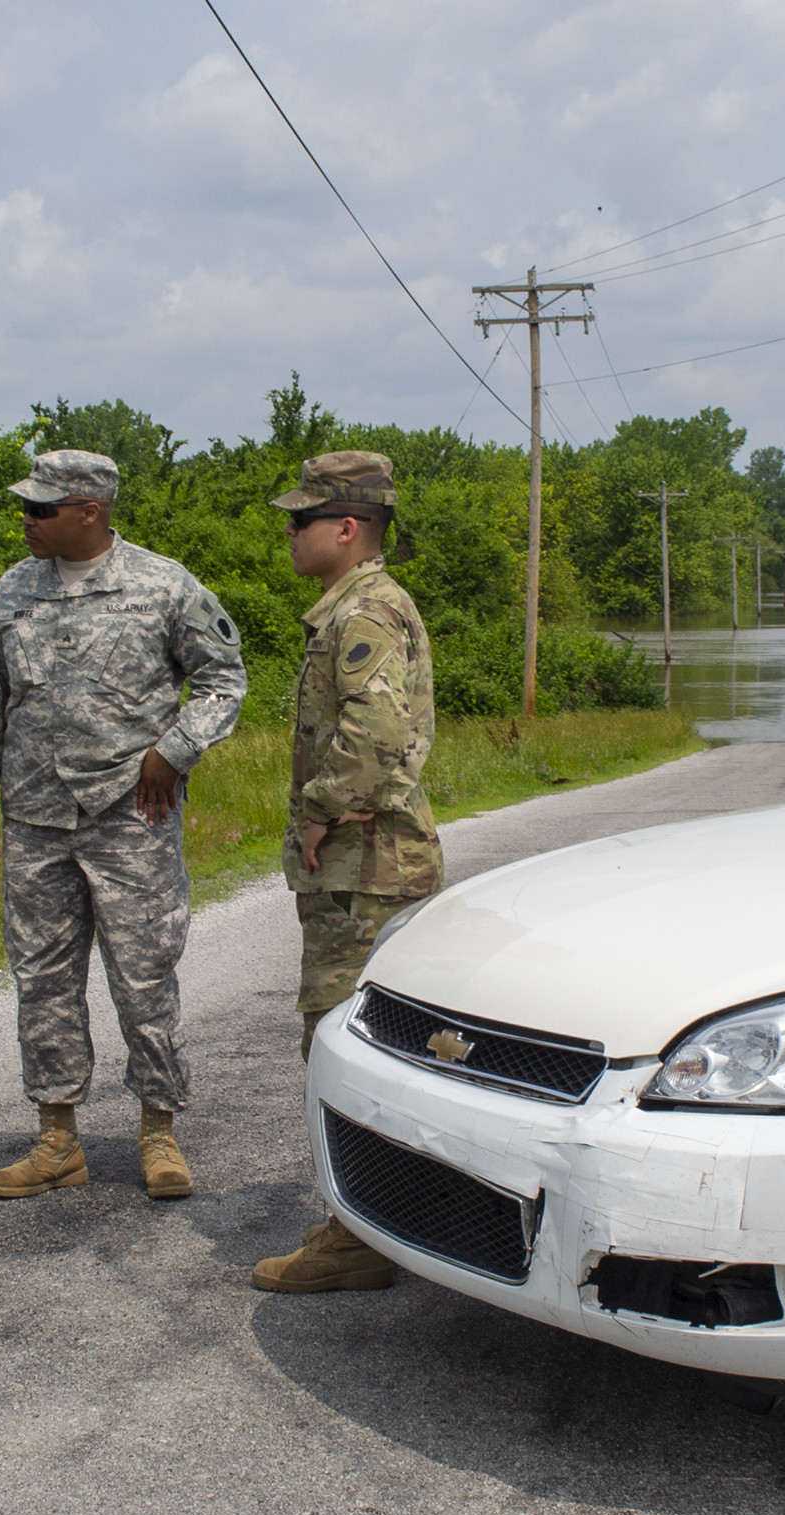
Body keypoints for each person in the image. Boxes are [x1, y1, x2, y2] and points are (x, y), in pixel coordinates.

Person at [0, 448, 247, 1200]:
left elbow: (224, 682)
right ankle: (57, 1137)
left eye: (41, 508)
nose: (25, 519)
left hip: (129, 817)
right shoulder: (14, 588)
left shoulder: (163, 584)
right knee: (43, 978)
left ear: (91, 510)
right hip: (35, 816)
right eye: (24, 505)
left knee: (144, 977)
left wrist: (174, 752)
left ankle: (159, 1131)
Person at [251, 451, 441, 1295]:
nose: (289, 532)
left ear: (346, 527)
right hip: (370, 871)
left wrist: (323, 806)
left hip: (368, 871)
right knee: (373, 1049)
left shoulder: (366, 612)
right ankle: (386, 1218)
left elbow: (377, 733)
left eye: (301, 519)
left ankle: (357, 1237)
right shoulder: (359, 608)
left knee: (340, 1048)